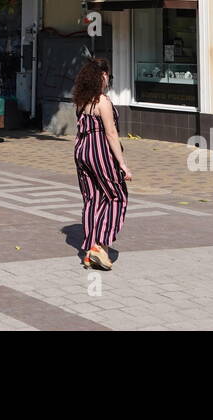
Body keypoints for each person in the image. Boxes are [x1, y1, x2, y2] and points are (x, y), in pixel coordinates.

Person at [72, 57, 132, 271]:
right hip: (100, 152)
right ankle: (100, 246)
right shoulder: (102, 101)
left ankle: (90, 249)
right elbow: (111, 133)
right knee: (117, 196)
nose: (108, 79)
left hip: (81, 151)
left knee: (92, 199)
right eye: (108, 75)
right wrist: (122, 164)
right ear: (103, 76)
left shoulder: (82, 100)